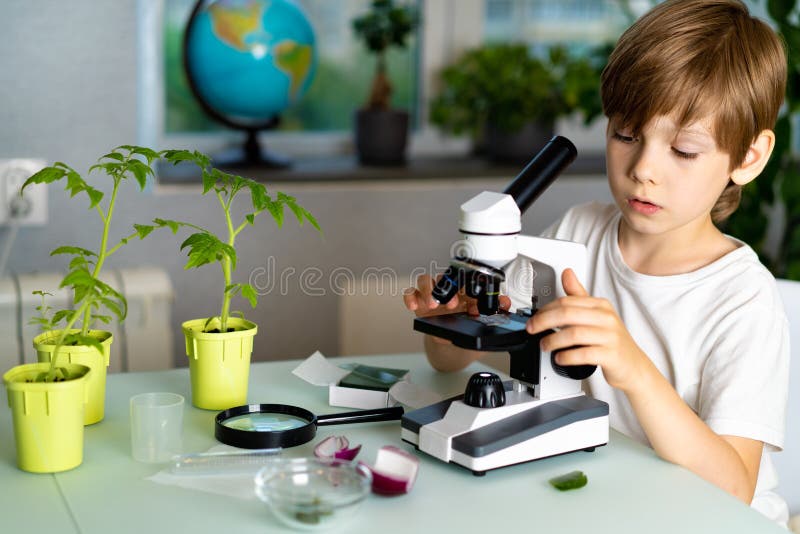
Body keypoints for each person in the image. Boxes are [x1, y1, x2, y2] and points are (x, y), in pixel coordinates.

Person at [403, 0, 790, 524]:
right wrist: (448, 322)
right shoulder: (576, 236)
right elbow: (453, 360)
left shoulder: (743, 300)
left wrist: (633, 368)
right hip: (609, 504)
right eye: (626, 135)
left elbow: (735, 486)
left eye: (684, 150)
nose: (644, 169)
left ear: (748, 158)